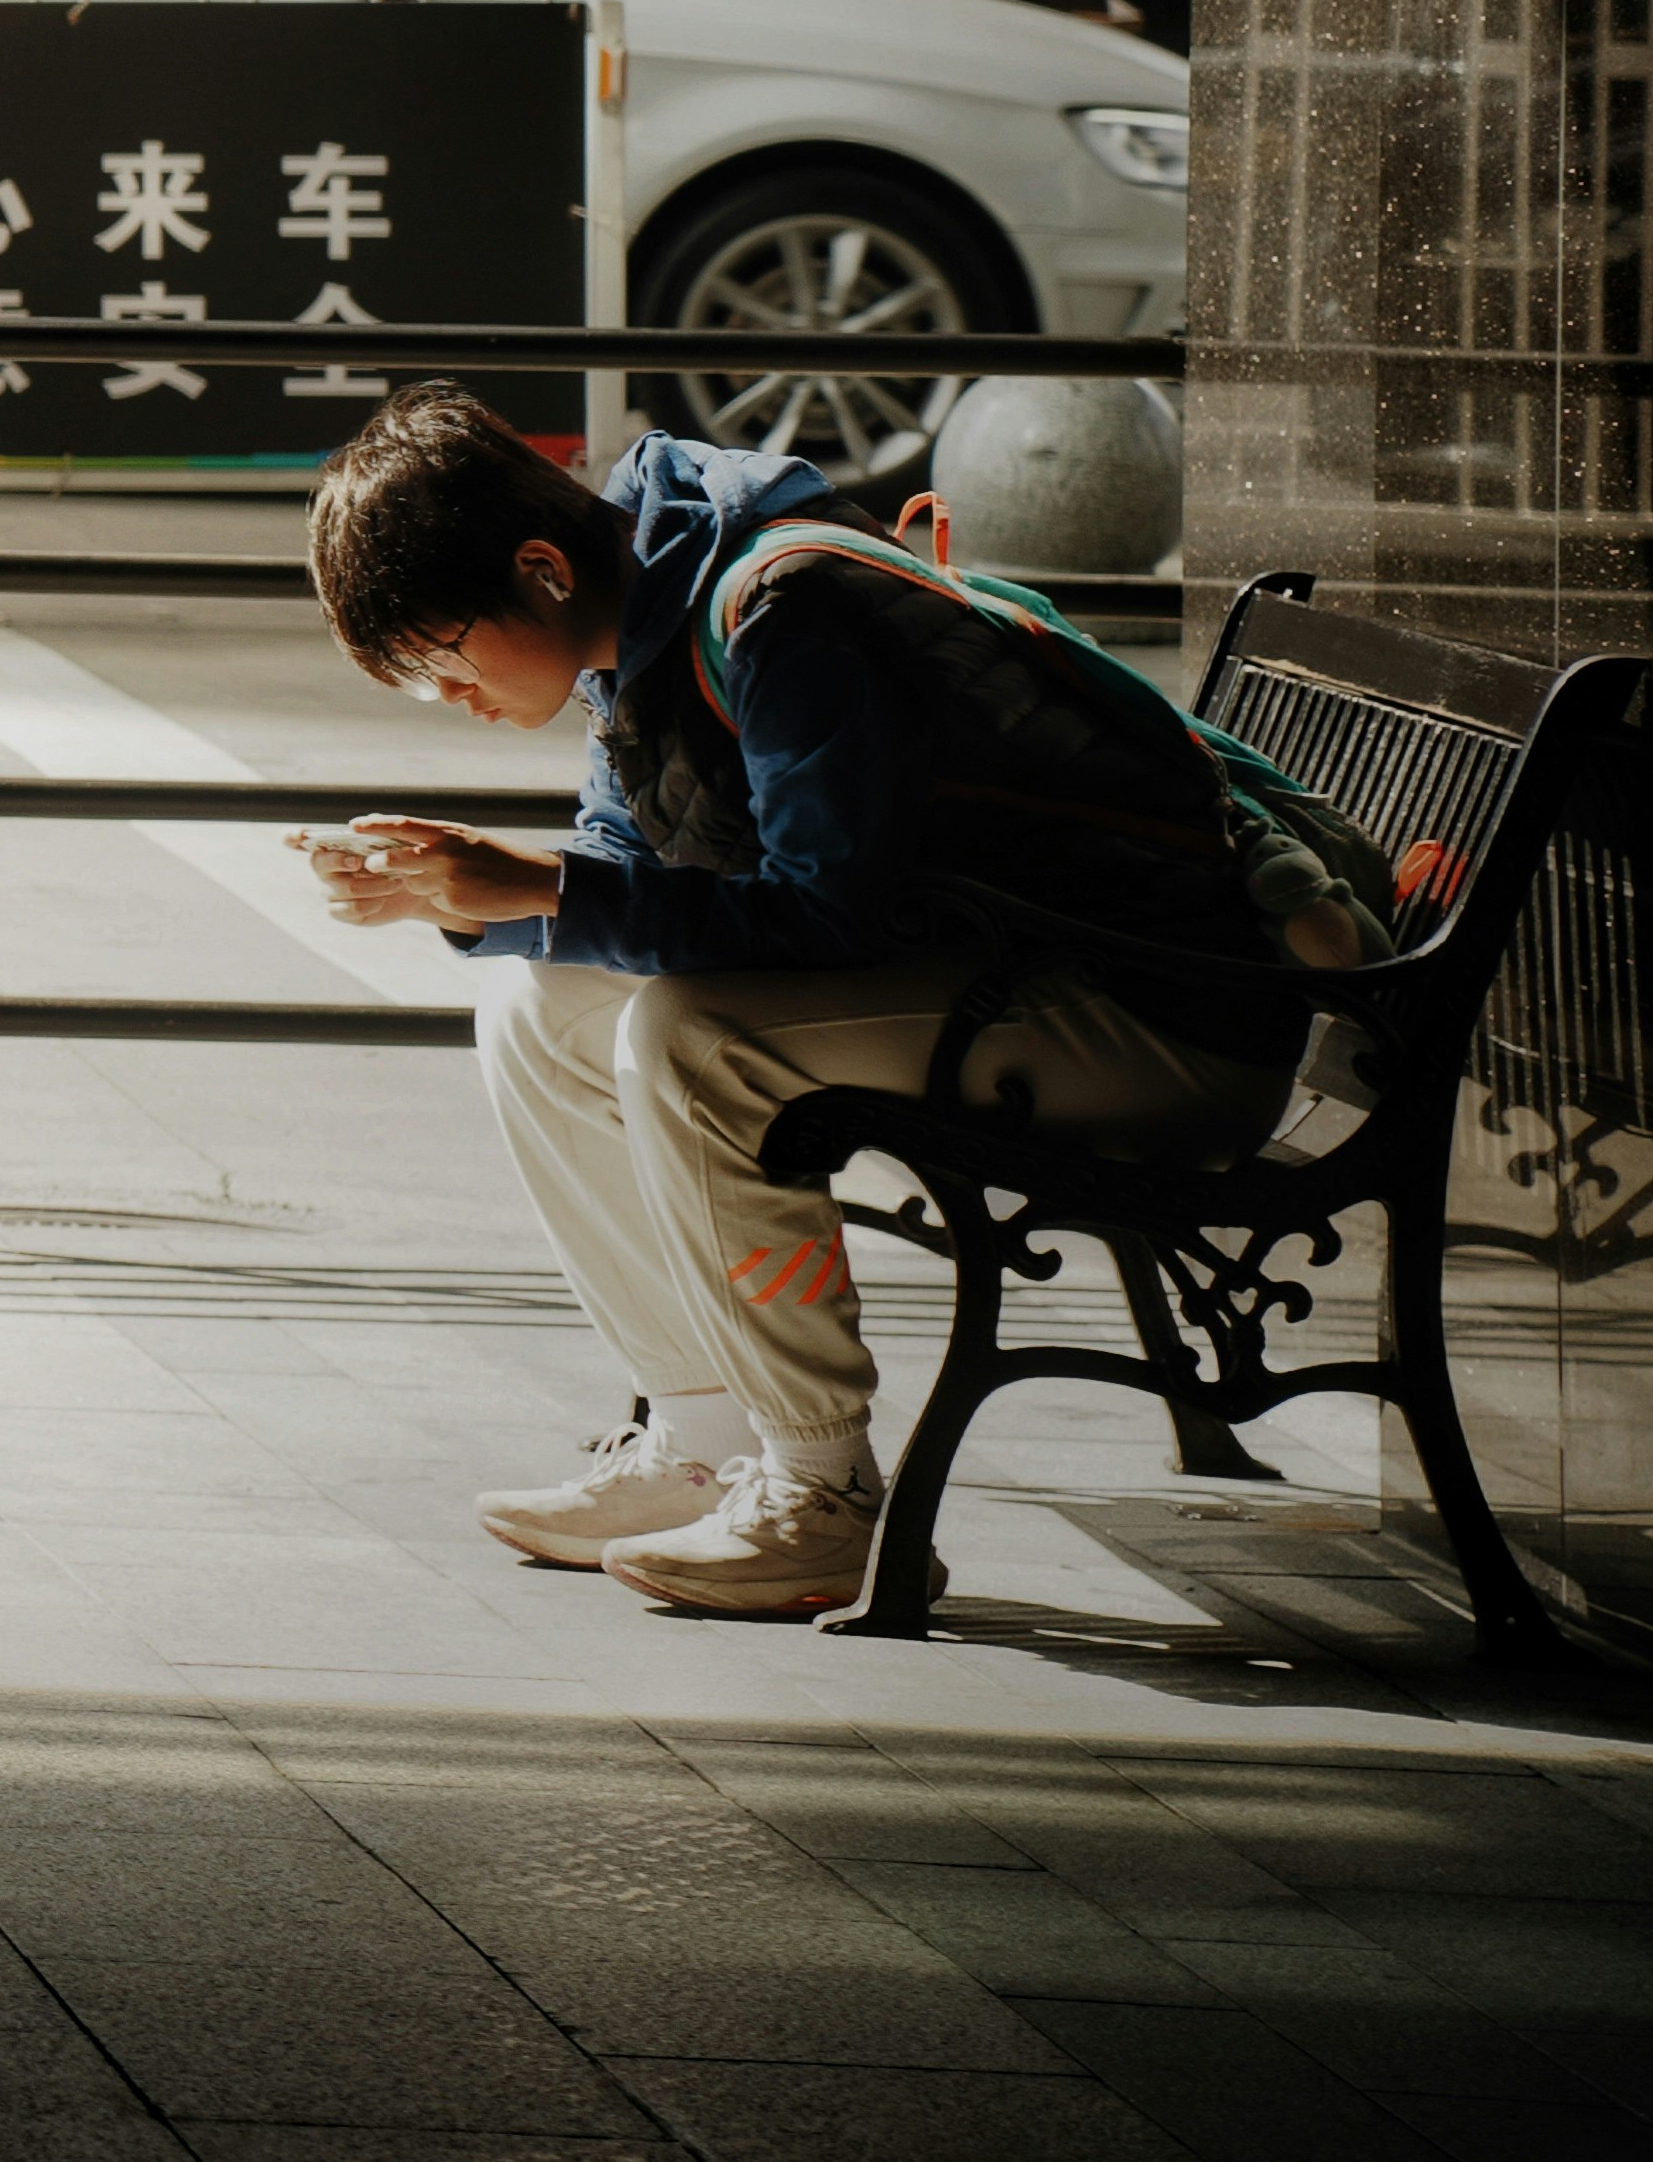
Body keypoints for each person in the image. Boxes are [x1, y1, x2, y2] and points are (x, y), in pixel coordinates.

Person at [298, 381, 1381, 1616]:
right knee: (538, 1006)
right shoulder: (648, 621)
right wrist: (479, 897)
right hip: (1012, 983)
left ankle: (825, 1494)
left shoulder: (778, 610)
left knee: (690, 1038)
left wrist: (543, 886)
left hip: (1167, 1021)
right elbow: (631, 893)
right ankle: (697, 1438)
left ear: (541, 568)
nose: (452, 699)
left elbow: (828, 919)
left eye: (442, 661)